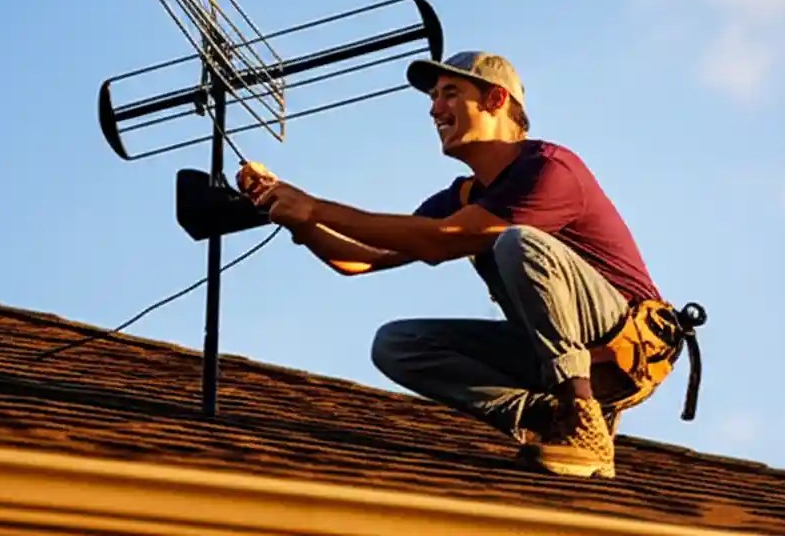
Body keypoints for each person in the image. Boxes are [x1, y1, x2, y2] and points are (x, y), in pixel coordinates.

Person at [236, 50, 667, 479]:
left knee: (518, 243)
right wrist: (295, 218)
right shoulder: (465, 196)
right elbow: (362, 259)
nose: (434, 108)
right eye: (434, 98)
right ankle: (542, 417)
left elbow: (442, 241)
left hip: (624, 346)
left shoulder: (549, 170)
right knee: (396, 343)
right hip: (559, 349)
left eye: (450, 93)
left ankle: (581, 418)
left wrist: (315, 209)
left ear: (496, 100)